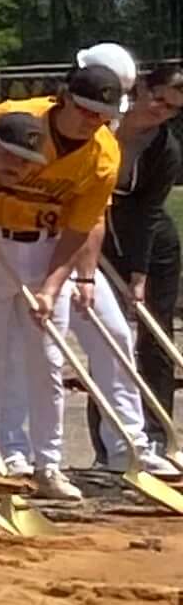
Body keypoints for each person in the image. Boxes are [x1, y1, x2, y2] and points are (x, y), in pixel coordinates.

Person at [0, 57, 162, 488]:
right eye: (87, 111)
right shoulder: (19, 118)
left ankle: (47, 463)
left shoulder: (103, 155)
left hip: (47, 249)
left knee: (48, 360)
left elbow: (80, 226)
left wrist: (54, 287)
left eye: (104, 117)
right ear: (65, 99)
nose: (93, 123)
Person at [105, 59, 183, 443]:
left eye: (171, 108)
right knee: (109, 338)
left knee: (155, 338)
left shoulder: (164, 149)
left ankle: (157, 435)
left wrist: (139, 275)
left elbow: (150, 212)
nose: (160, 111)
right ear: (139, 89)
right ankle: (111, 443)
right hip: (99, 237)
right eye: (158, 98)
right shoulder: (103, 124)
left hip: (152, 247)